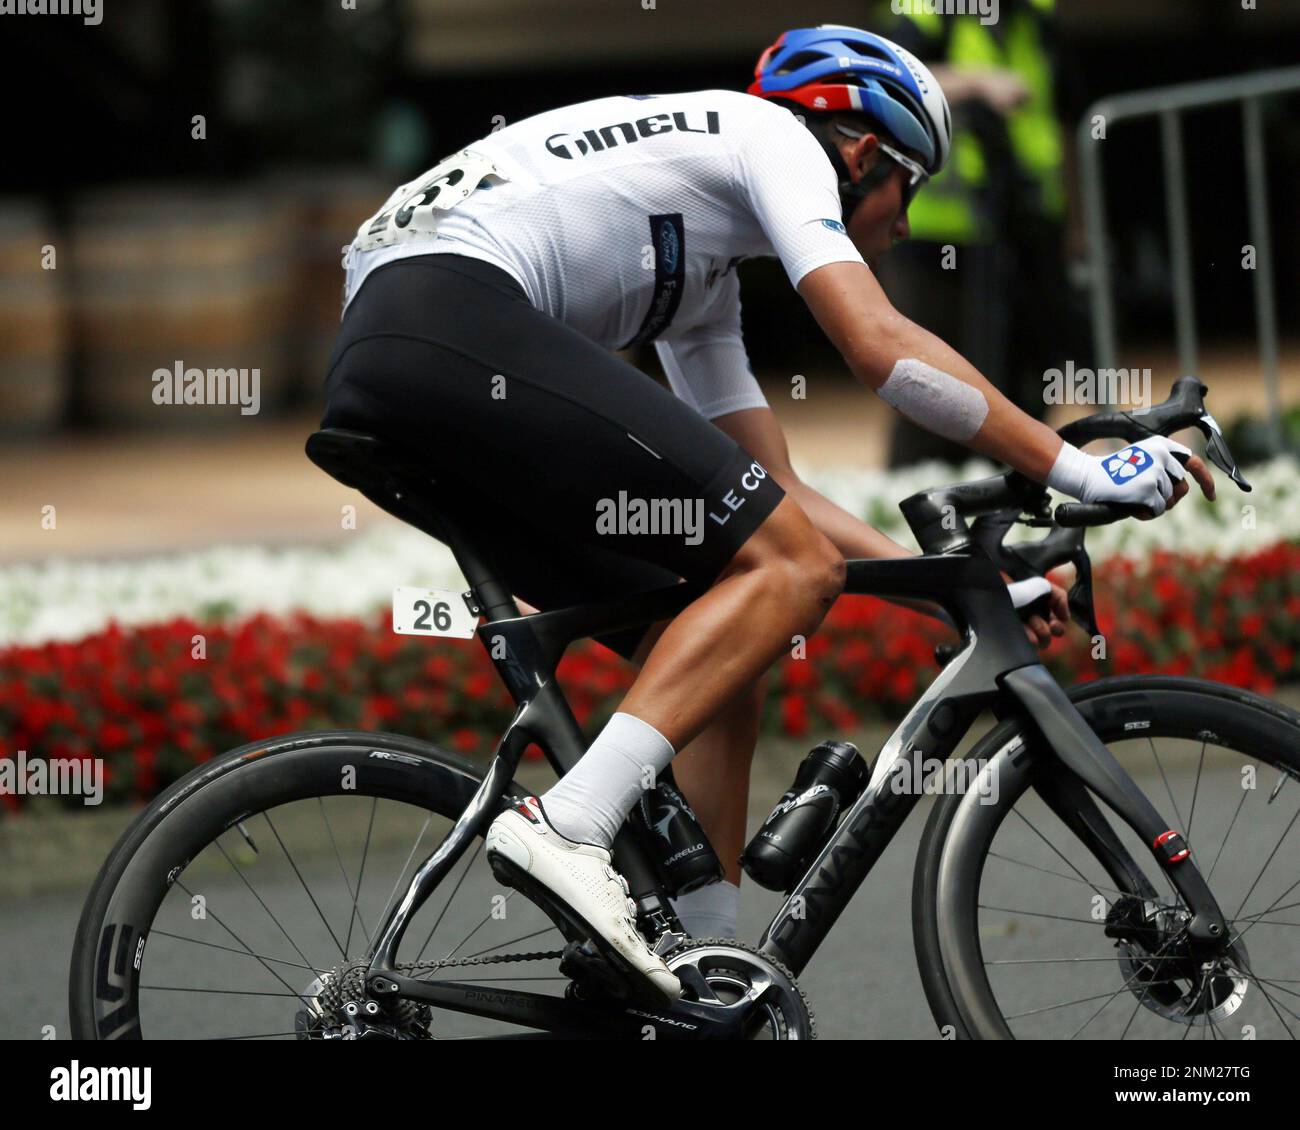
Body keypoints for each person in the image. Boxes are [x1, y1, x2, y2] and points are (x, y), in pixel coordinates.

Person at [321, 25, 1213, 1002]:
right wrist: (1080, 469)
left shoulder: (697, 272)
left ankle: (700, 969)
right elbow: (880, 348)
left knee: (723, 606)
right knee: (785, 573)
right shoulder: (771, 138)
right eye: (906, 190)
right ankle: (566, 826)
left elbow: (771, 494)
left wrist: (955, 596)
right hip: (443, 309)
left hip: (396, 351)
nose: (904, 227)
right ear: (863, 153)